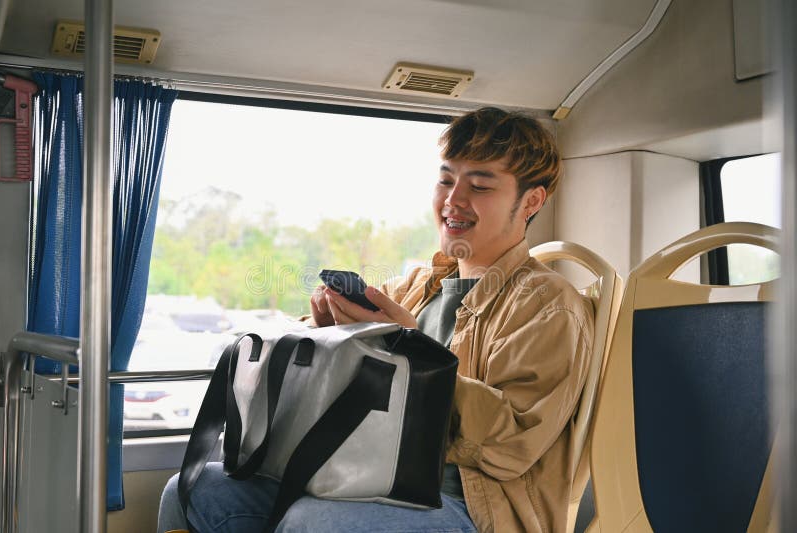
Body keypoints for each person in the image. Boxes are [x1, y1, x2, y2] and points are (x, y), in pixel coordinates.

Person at [158, 107, 594, 533]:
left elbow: (512, 445)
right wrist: (331, 332)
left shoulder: (549, 305)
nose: (453, 200)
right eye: (445, 180)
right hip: (367, 478)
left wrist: (413, 352)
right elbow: (354, 361)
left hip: (473, 508)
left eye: (479, 186)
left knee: (313, 521)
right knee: (193, 489)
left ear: (532, 200)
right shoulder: (422, 282)